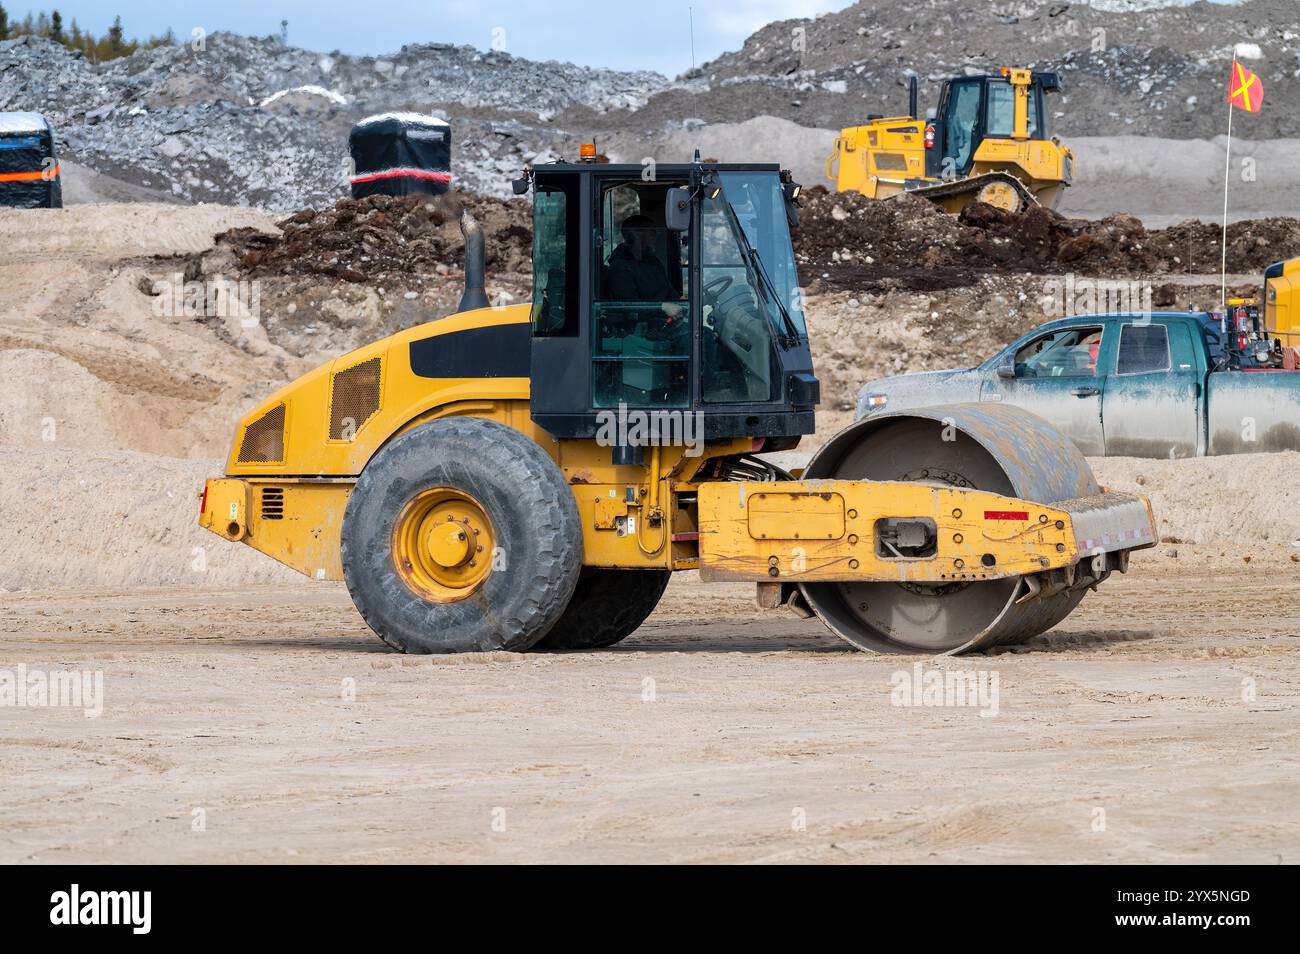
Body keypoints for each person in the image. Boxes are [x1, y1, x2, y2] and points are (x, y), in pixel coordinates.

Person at [607, 214, 677, 302]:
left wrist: (678, 303)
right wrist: (663, 308)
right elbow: (631, 308)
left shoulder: (653, 262)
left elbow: (669, 290)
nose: (655, 237)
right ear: (636, 235)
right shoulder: (619, 268)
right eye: (651, 232)